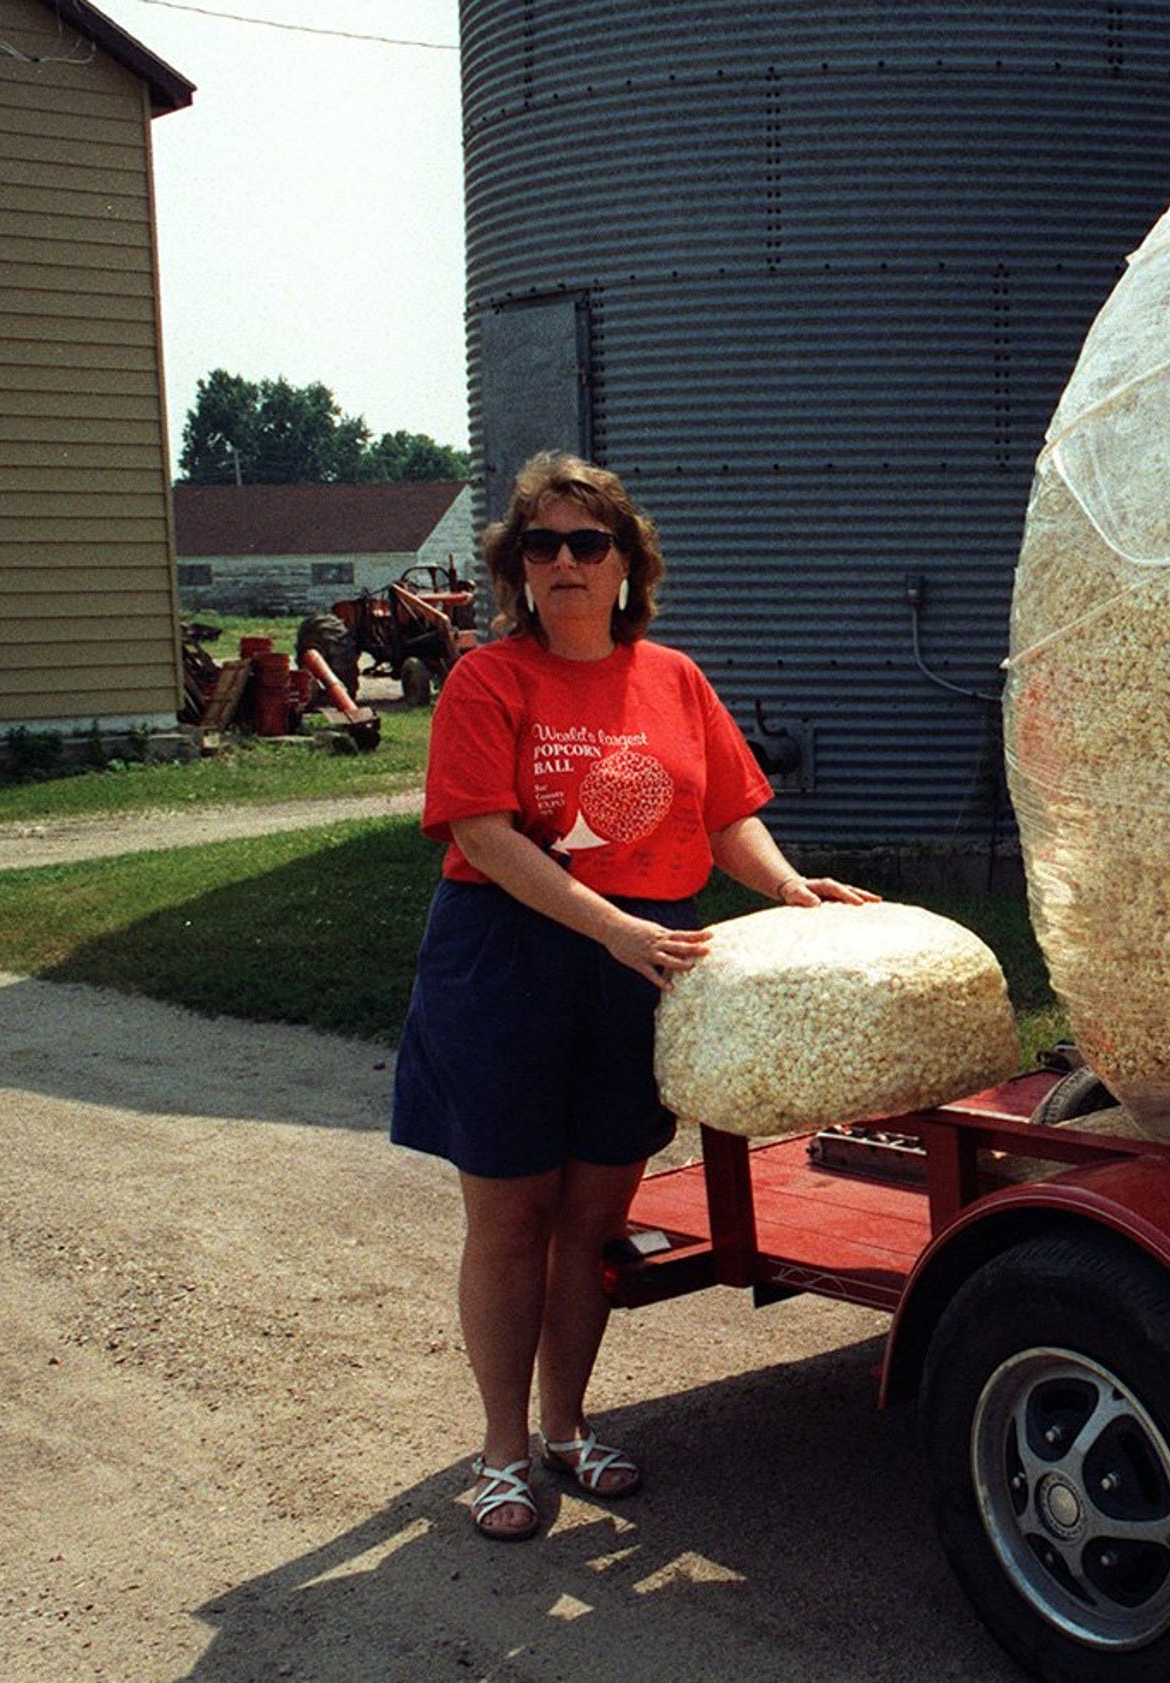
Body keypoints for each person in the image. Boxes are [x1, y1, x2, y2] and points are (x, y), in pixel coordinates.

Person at [391, 452, 873, 1542]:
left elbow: (726, 815)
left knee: (596, 1217)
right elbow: (483, 836)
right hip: (509, 961)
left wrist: (789, 886)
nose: (564, 561)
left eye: (587, 542)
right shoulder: (487, 680)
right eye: (541, 544)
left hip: (641, 964)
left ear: (625, 564)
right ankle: (502, 1452)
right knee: (511, 1218)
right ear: (518, 568)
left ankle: (566, 1426)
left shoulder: (675, 679)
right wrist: (613, 928)